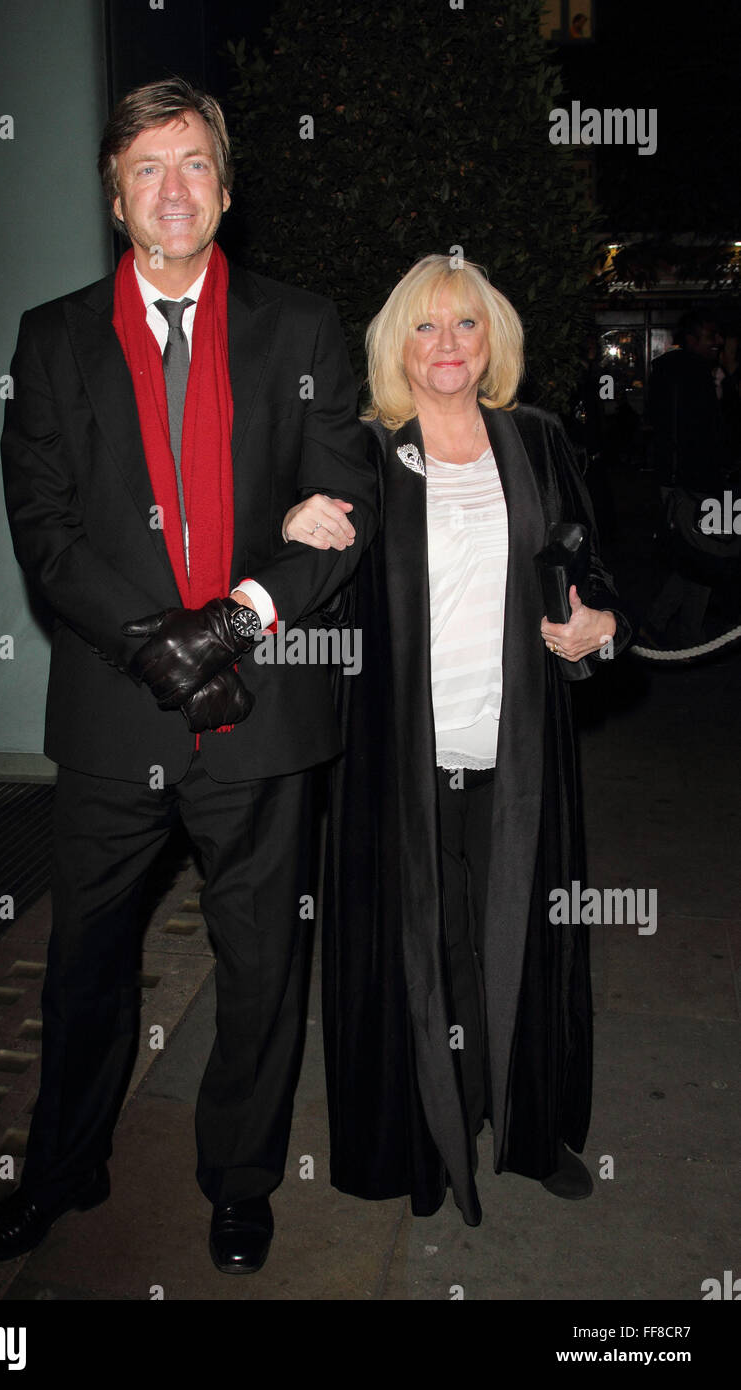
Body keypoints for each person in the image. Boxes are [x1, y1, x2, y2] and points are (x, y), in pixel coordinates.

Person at [0, 77, 376, 1274]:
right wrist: (158, 643)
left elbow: (345, 506)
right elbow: (46, 534)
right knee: (84, 963)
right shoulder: (52, 337)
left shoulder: (299, 327)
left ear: (226, 188)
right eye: (146, 169)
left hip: (262, 717)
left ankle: (239, 1184)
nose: (171, 188)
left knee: (257, 968)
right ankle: (59, 1170)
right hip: (111, 710)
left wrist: (233, 620)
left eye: (192, 163)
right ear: (115, 199)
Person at [309, 254, 630, 1225]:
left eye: (465, 326)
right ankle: (418, 1140)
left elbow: (591, 565)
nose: (445, 345)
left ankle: (529, 1131)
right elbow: (299, 564)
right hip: (397, 764)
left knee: (519, 942)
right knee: (421, 951)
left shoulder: (533, 440)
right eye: (423, 326)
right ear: (394, 345)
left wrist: (600, 625)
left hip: (519, 754)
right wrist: (293, 518)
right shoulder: (365, 454)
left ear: (491, 342)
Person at [644, 311, 729, 646]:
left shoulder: (678, 371)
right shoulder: (691, 374)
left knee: (698, 554)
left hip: (687, 479)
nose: (717, 343)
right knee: (705, 553)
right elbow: (701, 432)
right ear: (692, 339)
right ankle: (676, 627)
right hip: (694, 481)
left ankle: (672, 626)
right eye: (710, 336)